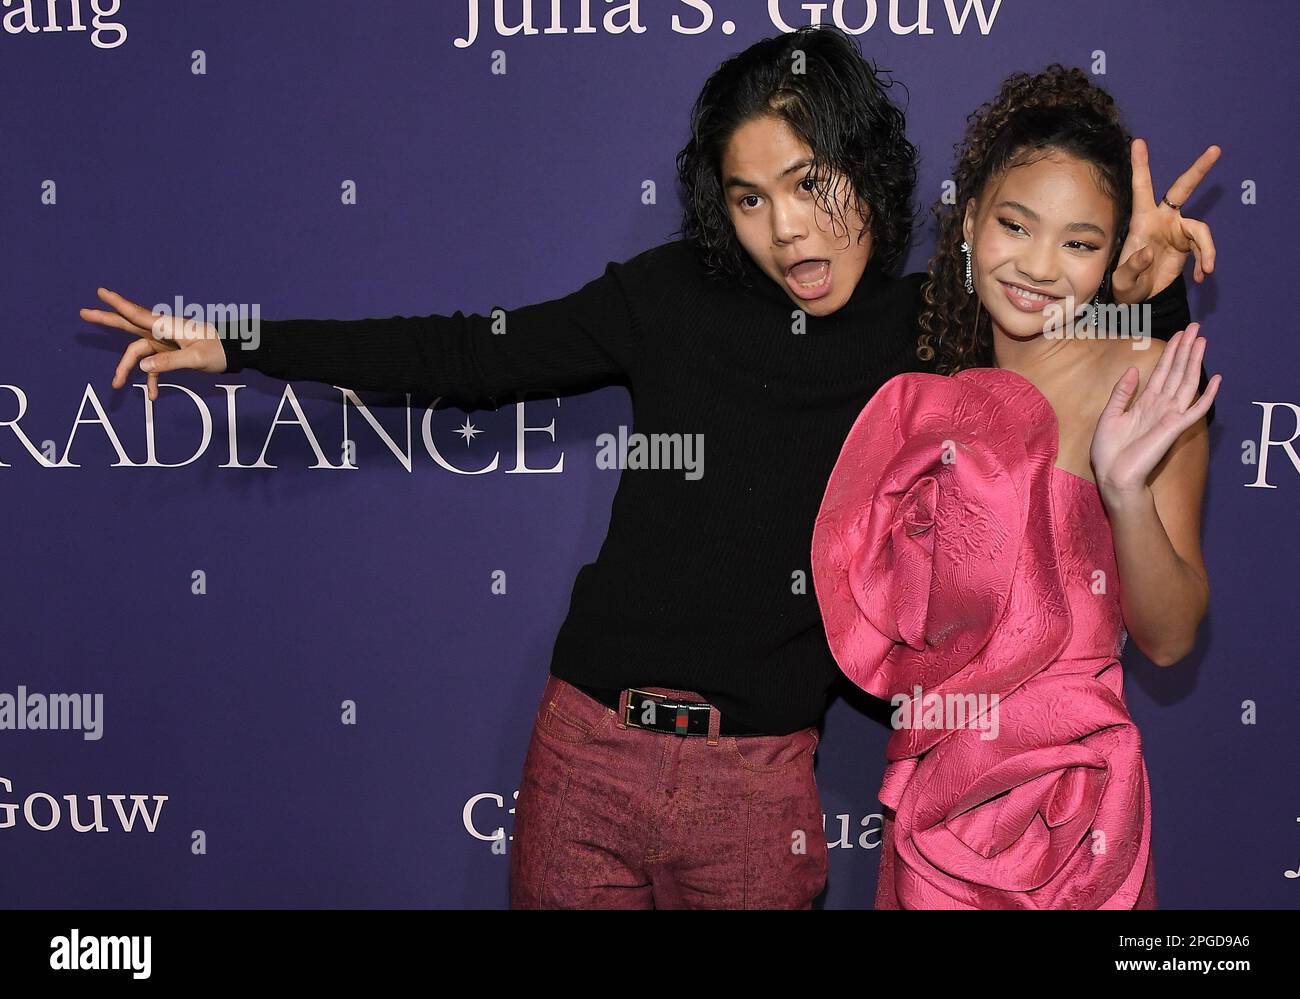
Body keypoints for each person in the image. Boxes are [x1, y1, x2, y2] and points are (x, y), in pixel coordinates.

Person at [79, 28, 1212, 909]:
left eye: (810, 182)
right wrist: (239, 342)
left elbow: (1070, 353)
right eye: (748, 197)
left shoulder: (937, 329)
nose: (786, 229)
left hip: (762, 784)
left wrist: (1145, 289)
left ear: (866, 167)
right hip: (584, 756)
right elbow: (465, 354)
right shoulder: (667, 297)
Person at [810, 65, 1220, 909]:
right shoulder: (931, 391)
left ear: (1113, 256)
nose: (1038, 265)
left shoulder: (1148, 375)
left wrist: (1125, 491)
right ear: (969, 223)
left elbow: (1172, 637)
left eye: (1079, 241)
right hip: (936, 802)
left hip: (1074, 814)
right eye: (1014, 224)